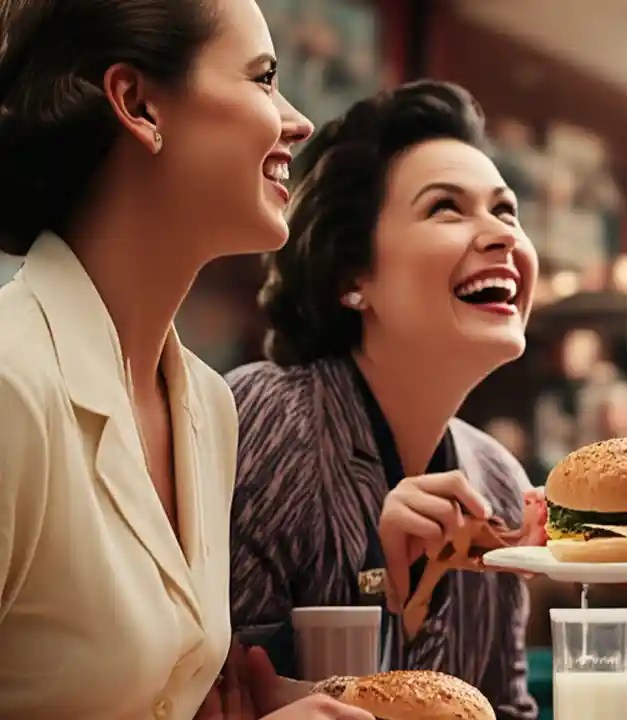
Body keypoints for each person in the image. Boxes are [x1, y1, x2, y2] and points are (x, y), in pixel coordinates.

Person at [0, 0, 374, 718]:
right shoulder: (13, 386)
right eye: (264, 78)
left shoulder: (207, 406)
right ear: (138, 105)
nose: (297, 121)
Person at [227, 79, 540, 720]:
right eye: (446, 209)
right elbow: (228, 690)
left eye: (506, 211)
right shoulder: (266, 419)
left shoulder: (502, 485)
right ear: (352, 276)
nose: (501, 234)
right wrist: (384, 584)